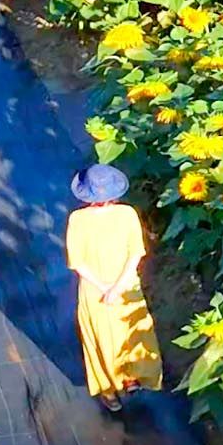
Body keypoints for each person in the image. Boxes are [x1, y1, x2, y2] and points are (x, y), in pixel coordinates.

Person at [65, 164, 163, 413]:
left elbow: (78, 263)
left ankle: (110, 392)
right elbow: (135, 254)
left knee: (101, 338)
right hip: (127, 286)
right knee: (134, 331)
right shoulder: (127, 214)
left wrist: (104, 288)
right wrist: (119, 286)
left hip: (94, 291)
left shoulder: (78, 220)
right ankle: (132, 377)